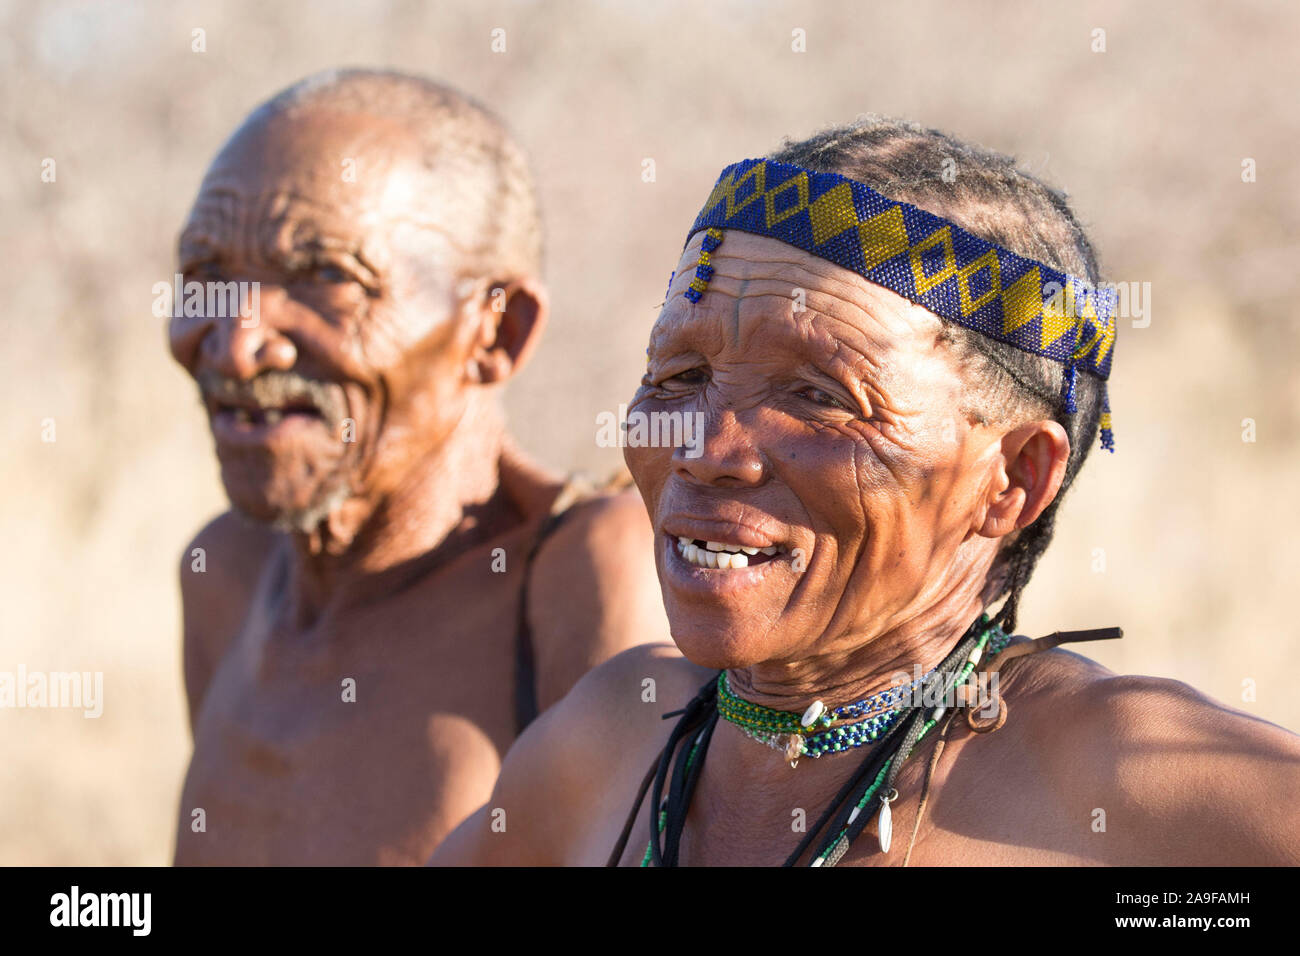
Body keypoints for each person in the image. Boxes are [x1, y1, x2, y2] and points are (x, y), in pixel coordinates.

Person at [433, 117, 1300, 866]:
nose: (704, 449)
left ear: (1010, 480)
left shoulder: (1142, 789)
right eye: (680, 373)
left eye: (818, 396)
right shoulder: (605, 747)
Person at [168, 69, 669, 865]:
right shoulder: (225, 572)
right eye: (206, 278)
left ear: (493, 333)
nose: (233, 342)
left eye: (327, 278)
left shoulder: (583, 575)